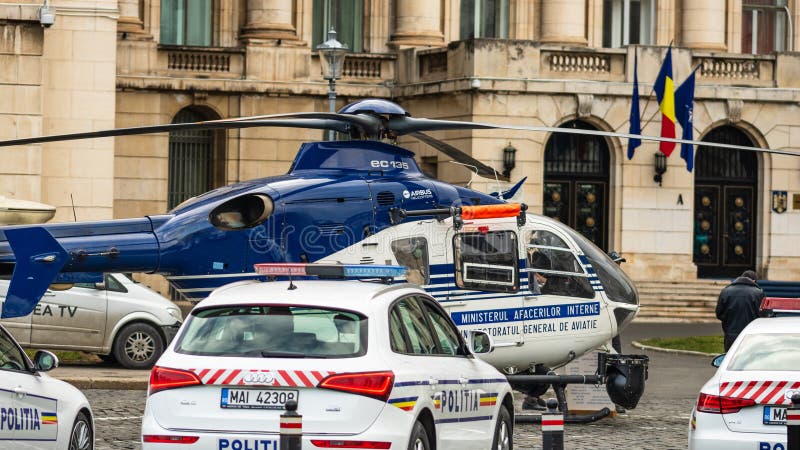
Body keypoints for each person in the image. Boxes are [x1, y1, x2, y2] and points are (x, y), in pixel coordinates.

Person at [715, 270, 765, 352]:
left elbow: (719, 314)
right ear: (753, 280)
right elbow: (763, 315)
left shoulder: (726, 291)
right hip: (751, 335)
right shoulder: (758, 293)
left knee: (731, 360)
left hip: (730, 335)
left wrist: (729, 320)